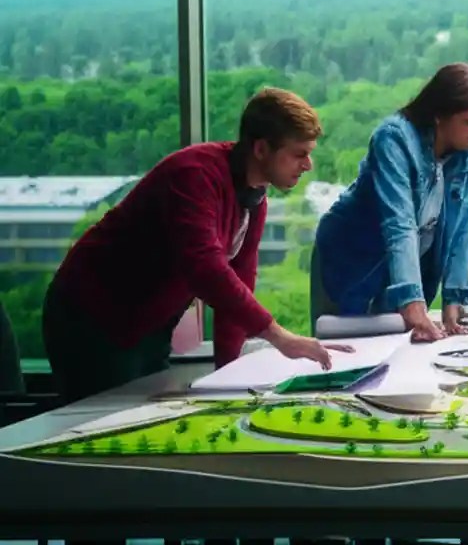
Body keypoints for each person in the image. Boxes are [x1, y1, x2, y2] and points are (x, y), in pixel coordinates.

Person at [43, 87, 350, 403]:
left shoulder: (254, 197)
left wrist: (229, 378)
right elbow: (205, 268)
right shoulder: (194, 176)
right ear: (261, 149)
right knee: (99, 428)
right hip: (92, 318)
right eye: (299, 154)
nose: (309, 164)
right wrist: (278, 335)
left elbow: (238, 284)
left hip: (149, 324)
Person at [311, 62, 468, 342]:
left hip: (406, 262)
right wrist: (412, 303)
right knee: (345, 355)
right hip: (351, 259)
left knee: (400, 353)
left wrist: (455, 298)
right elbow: (400, 223)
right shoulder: (393, 138)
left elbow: (463, 222)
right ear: (440, 116)